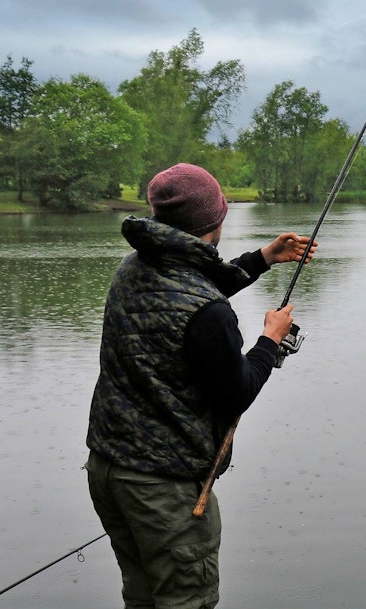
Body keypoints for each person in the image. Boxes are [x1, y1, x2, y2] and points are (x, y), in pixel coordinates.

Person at [86, 162, 315, 609]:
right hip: (164, 489)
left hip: (109, 471)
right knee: (186, 600)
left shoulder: (134, 266)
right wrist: (269, 340)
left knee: (142, 595)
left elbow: (192, 285)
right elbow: (238, 392)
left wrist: (263, 259)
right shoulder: (207, 311)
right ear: (217, 219)